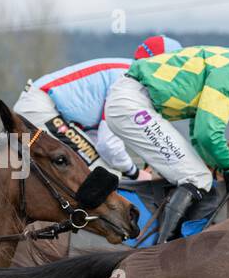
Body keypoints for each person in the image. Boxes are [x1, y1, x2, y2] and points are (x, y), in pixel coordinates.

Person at [103, 26, 229, 241]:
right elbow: (208, 134)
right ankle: (163, 251)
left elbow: (198, 131)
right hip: (132, 104)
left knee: (194, 173)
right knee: (197, 177)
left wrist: (218, 165)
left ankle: (160, 238)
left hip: (132, 101)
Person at [14, 35, 182, 181]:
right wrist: (134, 173)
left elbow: (98, 139)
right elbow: (107, 144)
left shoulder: (128, 71)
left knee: (105, 170)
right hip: (40, 106)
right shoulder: (130, 81)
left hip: (40, 104)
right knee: (105, 174)